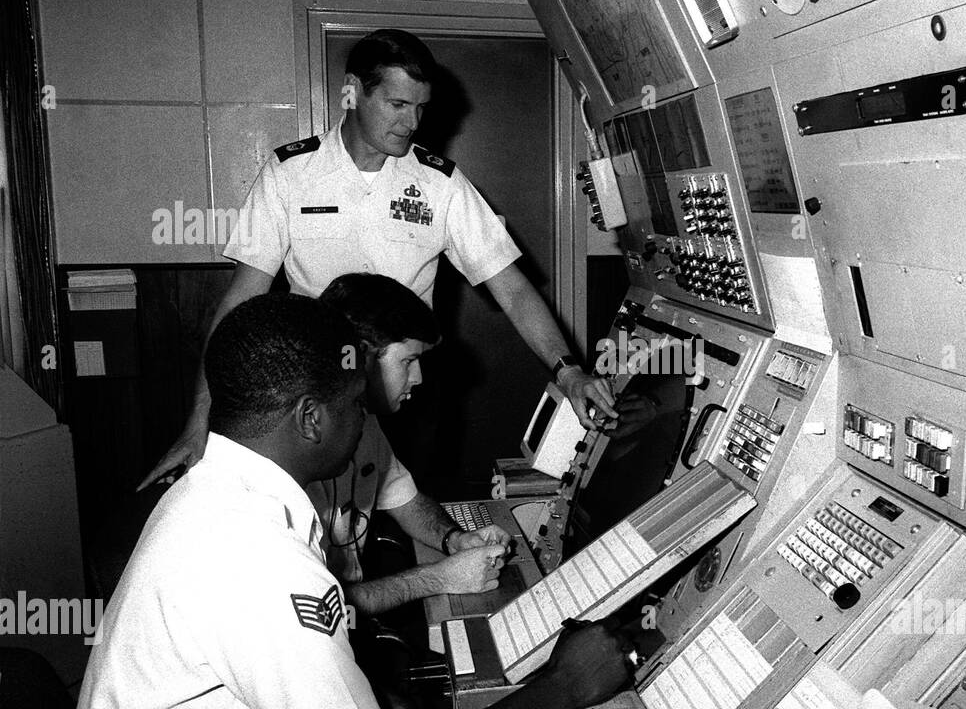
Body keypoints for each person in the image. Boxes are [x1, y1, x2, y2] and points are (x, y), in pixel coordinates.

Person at [69, 294, 631, 709]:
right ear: (311, 419)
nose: (366, 421)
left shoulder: (213, 493)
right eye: (357, 404)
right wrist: (568, 684)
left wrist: (362, 700)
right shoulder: (259, 559)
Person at [139, 28, 616, 490]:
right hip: (320, 401)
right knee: (329, 536)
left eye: (420, 108)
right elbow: (239, 307)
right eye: (397, 104)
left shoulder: (439, 183)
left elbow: (511, 291)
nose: (411, 123)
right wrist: (201, 417)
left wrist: (568, 371)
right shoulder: (289, 175)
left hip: (408, 393)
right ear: (353, 93)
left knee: (419, 515)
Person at [311, 272, 511, 616]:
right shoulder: (299, 450)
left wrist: (456, 540)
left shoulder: (364, 420)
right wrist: (439, 578)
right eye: (407, 361)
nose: (418, 378)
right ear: (362, 357)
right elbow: (324, 608)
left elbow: (406, 502)